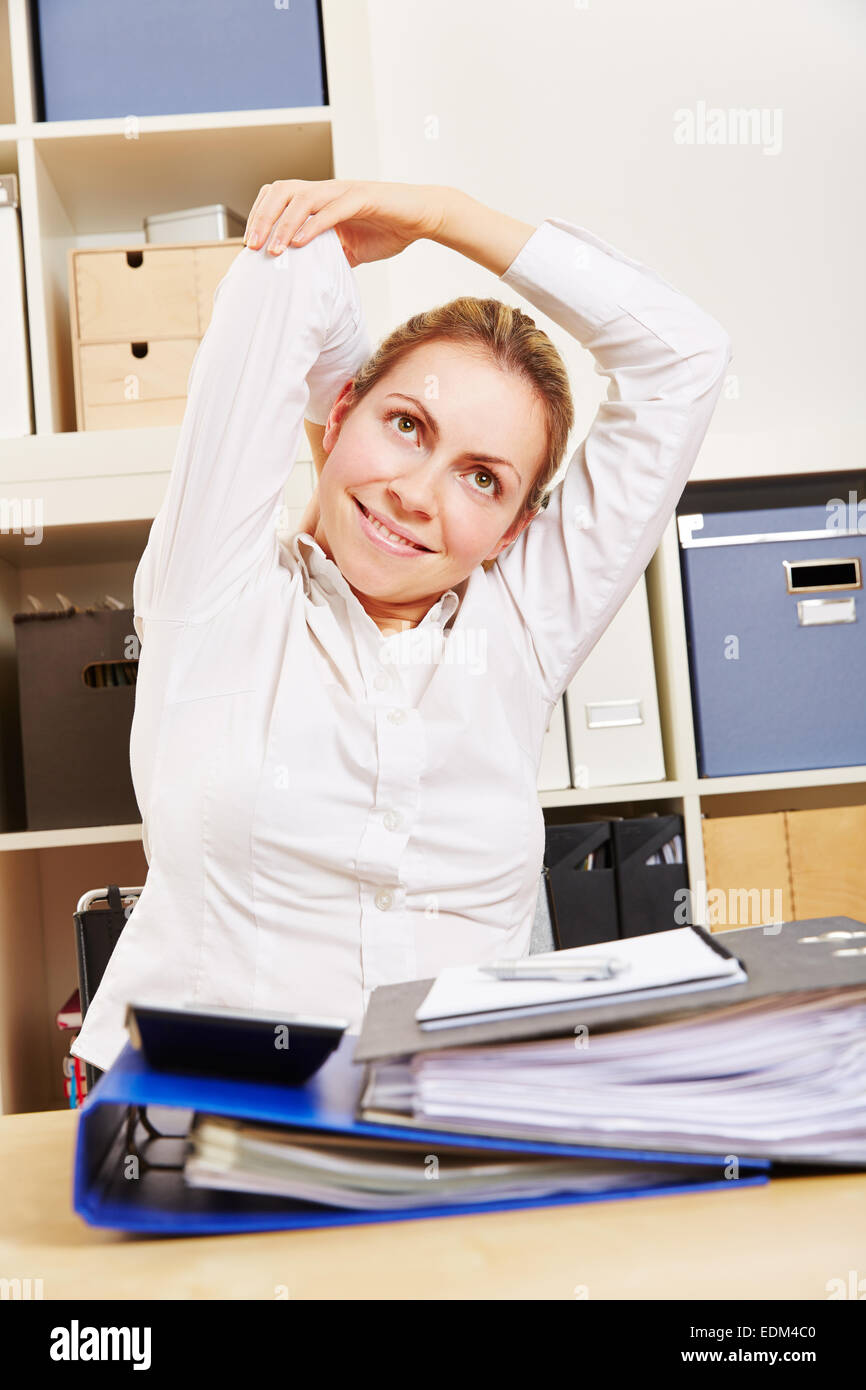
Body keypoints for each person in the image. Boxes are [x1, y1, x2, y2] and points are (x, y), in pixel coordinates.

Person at [71, 180, 731, 1073]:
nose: (419, 495)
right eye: (406, 426)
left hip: (461, 1142)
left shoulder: (522, 627)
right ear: (340, 415)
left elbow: (684, 360)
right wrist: (338, 422)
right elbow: (291, 259)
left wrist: (441, 215)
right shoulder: (217, 590)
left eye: (483, 477)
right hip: (211, 1132)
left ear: (515, 528)